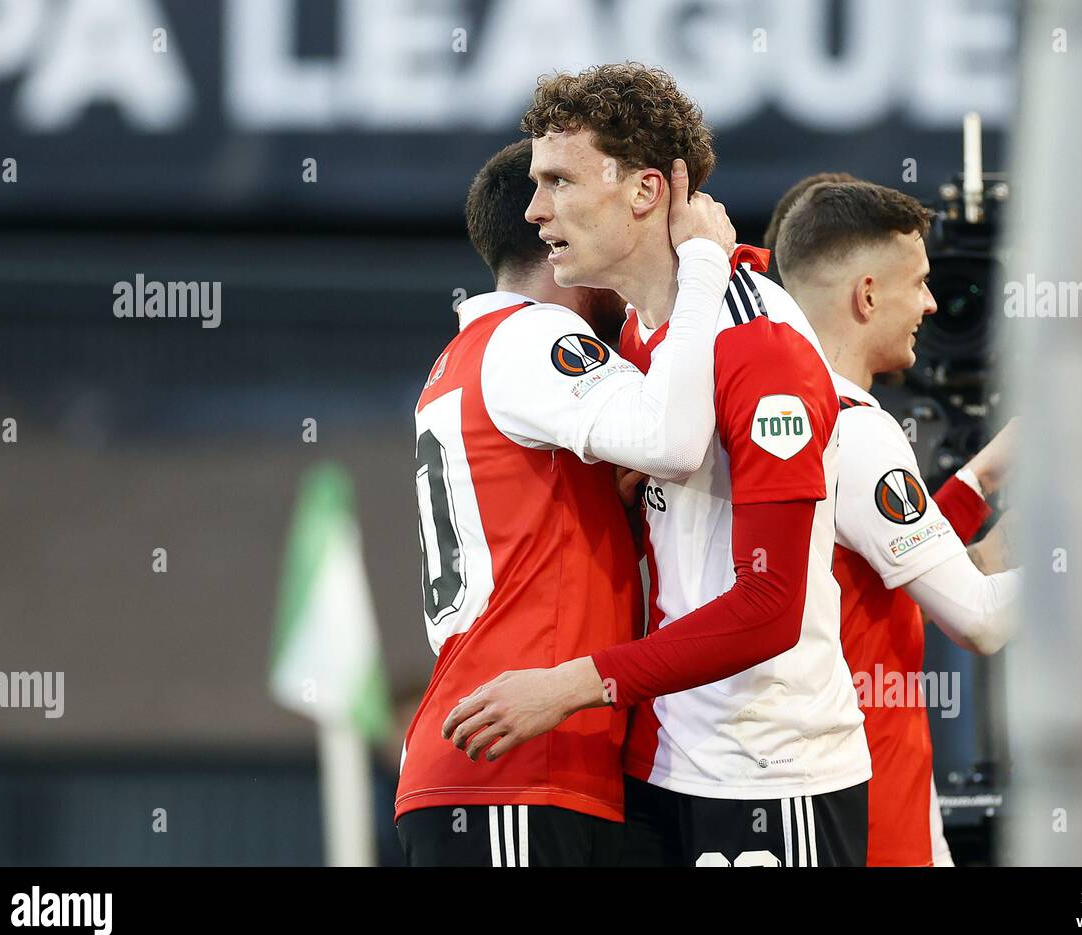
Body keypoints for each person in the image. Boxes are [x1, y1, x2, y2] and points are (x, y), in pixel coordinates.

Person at [443, 62, 872, 867]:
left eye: (559, 181)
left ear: (644, 192)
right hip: (659, 763)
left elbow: (771, 606)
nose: (534, 210)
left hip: (769, 779)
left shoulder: (761, 342)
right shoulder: (639, 338)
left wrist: (570, 684)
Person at [395, 137, 735, 866]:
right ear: (555, 233)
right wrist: (706, 265)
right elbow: (674, 442)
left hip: (515, 763)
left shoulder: (471, 353)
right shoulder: (534, 338)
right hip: (516, 764)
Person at [772, 179, 1022, 866]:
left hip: (802, 805)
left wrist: (979, 479)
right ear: (868, 295)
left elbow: (868, 569)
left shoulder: (767, 414)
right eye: (920, 282)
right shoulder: (857, 430)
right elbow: (979, 620)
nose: (933, 304)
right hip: (871, 816)